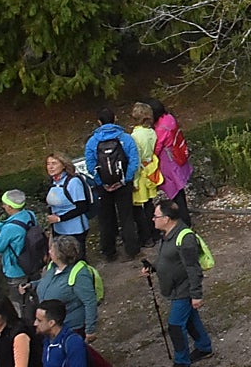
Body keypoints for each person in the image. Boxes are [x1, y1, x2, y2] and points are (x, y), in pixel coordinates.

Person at [142, 200, 212, 367]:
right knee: (189, 319)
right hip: (175, 289)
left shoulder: (185, 238)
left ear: (166, 219)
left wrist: (196, 295)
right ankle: (204, 347)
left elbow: (193, 268)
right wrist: (153, 267)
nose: (153, 219)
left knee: (175, 325)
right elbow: (166, 259)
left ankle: (182, 362)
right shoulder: (167, 235)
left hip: (183, 290)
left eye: (156, 216)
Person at [83, 110, 140, 263]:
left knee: (106, 219)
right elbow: (134, 161)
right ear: (115, 119)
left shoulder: (92, 142)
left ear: (98, 122)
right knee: (127, 217)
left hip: (103, 187)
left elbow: (90, 166)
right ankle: (132, 250)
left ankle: (109, 252)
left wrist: (101, 183)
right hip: (123, 184)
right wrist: (125, 180)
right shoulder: (125, 138)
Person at [32, 237, 99, 348]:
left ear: (61, 254)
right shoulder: (52, 267)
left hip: (71, 327)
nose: (49, 252)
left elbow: (90, 302)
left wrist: (90, 329)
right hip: (51, 326)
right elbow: (47, 282)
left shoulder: (79, 274)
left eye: (52, 250)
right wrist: (33, 285)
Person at [0, 190, 40, 309]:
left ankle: (24, 322)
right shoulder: (29, 215)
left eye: (5, 204)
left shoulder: (10, 228)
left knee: (19, 303)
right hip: (32, 264)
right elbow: (19, 226)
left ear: (11, 207)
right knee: (34, 297)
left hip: (16, 270)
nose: (3, 206)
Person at [142, 99, 195, 227]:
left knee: (175, 194)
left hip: (168, 164)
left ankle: (183, 222)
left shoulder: (160, 129)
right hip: (177, 158)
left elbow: (156, 148)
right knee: (179, 192)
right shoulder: (169, 118)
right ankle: (184, 219)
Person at [41, 154, 95, 257]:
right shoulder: (53, 181)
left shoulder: (74, 182)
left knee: (77, 258)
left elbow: (82, 207)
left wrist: (60, 218)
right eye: (48, 164)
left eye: (54, 163)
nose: (50, 167)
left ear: (64, 165)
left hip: (75, 230)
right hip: (58, 229)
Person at [128, 105, 165, 250]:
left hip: (141, 173)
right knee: (149, 203)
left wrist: (134, 180)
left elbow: (136, 159)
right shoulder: (151, 132)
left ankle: (146, 236)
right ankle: (155, 231)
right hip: (151, 168)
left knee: (138, 206)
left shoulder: (135, 136)